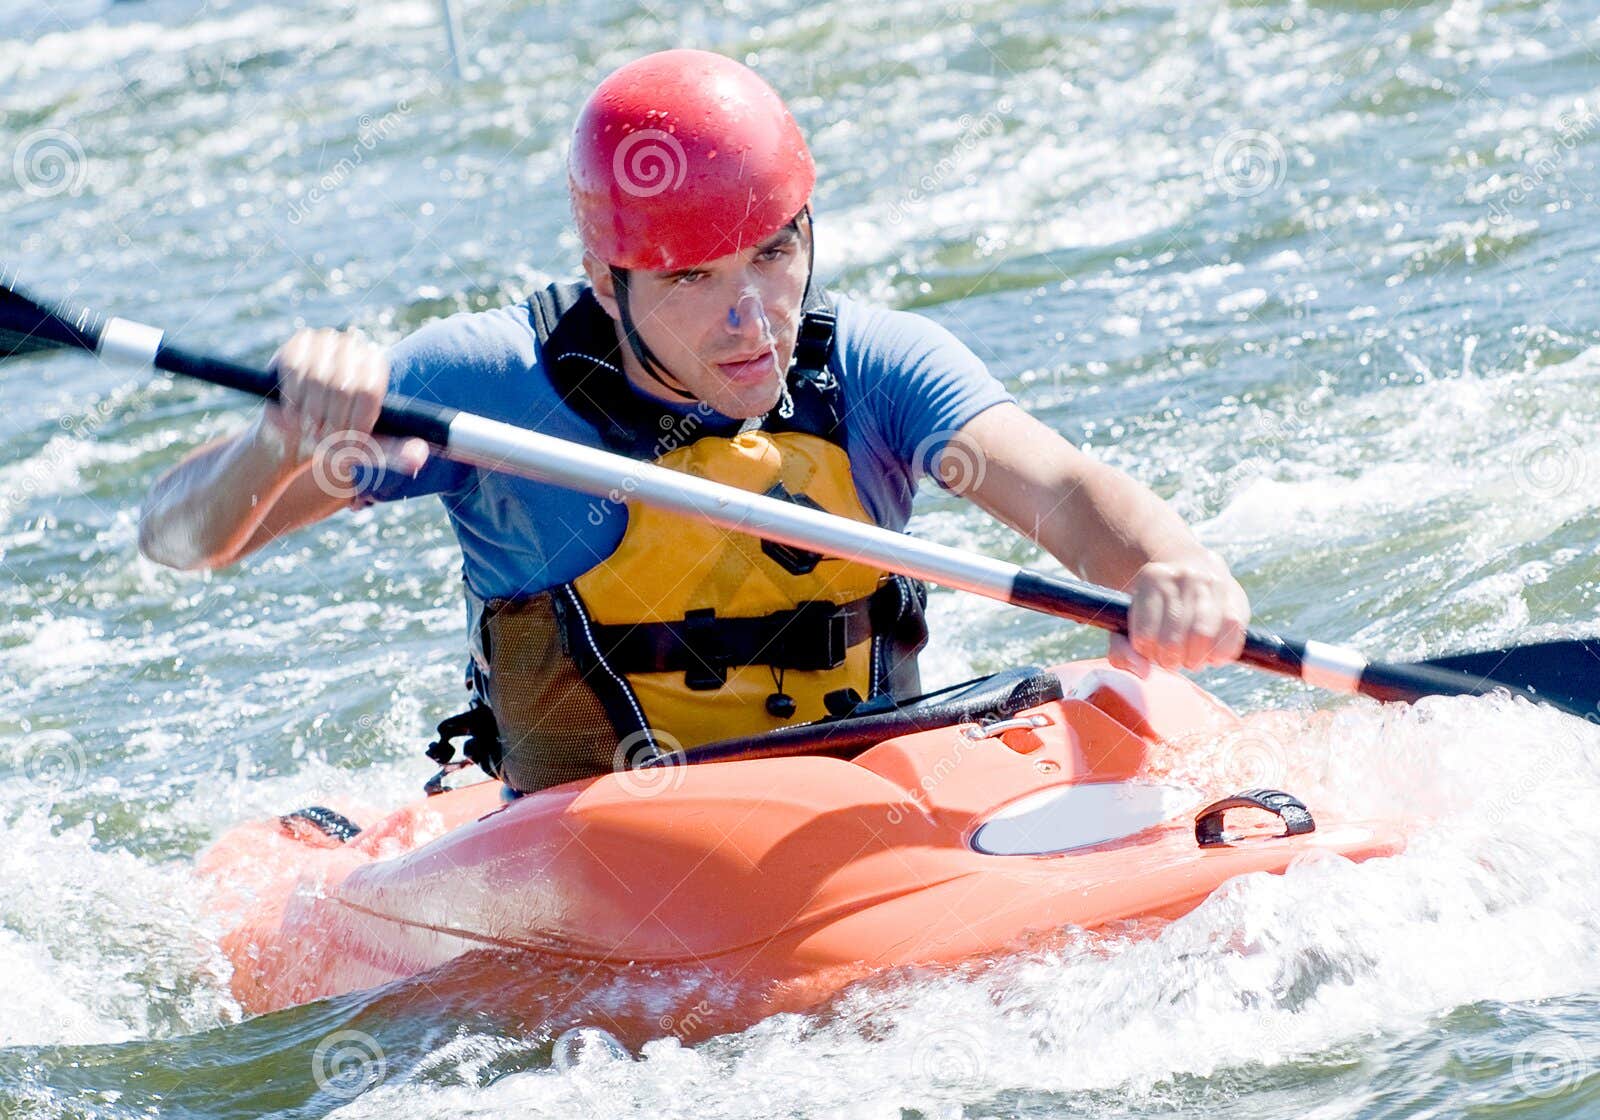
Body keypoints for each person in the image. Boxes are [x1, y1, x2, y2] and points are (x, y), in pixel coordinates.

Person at [139, 48, 1249, 796]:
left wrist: (1170, 565)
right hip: (595, 830)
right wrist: (277, 436)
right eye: (690, 279)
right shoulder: (489, 386)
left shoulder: (869, 366)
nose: (749, 318)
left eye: (775, 253)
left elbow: (1053, 486)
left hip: (850, 796)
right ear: (601, 272)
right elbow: (180, 540)